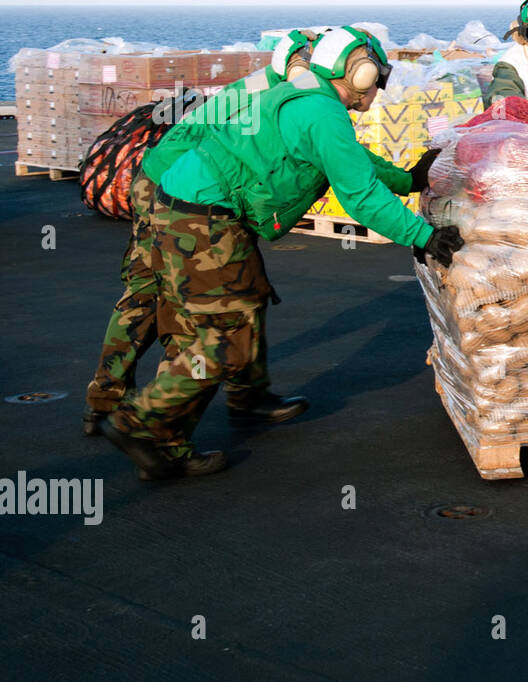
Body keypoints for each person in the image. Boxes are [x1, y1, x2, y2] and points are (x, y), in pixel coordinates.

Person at [100, 26, 461, 481]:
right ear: (361, 73)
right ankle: (139, 422)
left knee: (239, 312)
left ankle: (181, 438)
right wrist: (423, 236)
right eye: (380, 76)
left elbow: (352, 161)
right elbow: (360, 196)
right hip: (205, 217)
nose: (380, 88)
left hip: (194, 207)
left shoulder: (310, 99)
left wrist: (410, 179)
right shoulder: (323, 113)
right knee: (223, 337)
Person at [82, 29, 324, 437]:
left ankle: (239, 396)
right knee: (163, 300)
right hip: (175, 192)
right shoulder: (269, 97)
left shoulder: (263, 87)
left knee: (240, 291)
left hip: (179, 186)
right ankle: (143, 416)